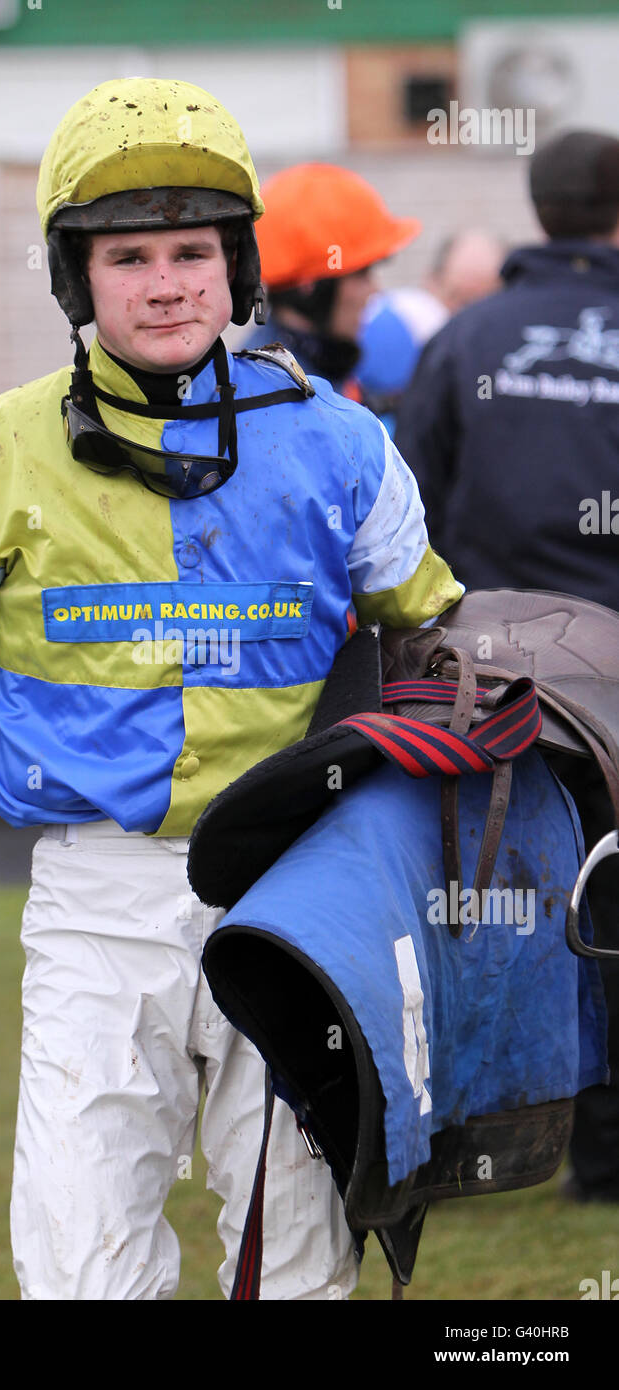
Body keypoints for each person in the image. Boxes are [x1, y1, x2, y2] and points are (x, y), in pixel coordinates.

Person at [0, 76, 463, 1300]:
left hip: (300, 900)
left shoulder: (342, 444)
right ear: (76, 280)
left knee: (299, 1269)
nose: (166, 282)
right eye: (128, 256)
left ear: (238, 265)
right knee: (80, 1270)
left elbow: (443, 648)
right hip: (93, 906)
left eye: (193, 250)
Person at [394, 128, 619, 1203]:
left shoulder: (462, 339)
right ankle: (607, 1159)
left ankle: (476, 1144)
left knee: (497, 909)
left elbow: (403, 528)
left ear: (539, 211)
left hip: (503, 686)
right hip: (612, 681)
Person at [240, 162, 420, 418]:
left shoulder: (321, 365)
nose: (374, 291)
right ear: (310, 286)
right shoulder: (273, 398)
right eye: (361, 274)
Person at [357, 229, 504, 431]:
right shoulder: (401, 324)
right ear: (431, 281)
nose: (468, 317)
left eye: (483, 303)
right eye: (458, 299)